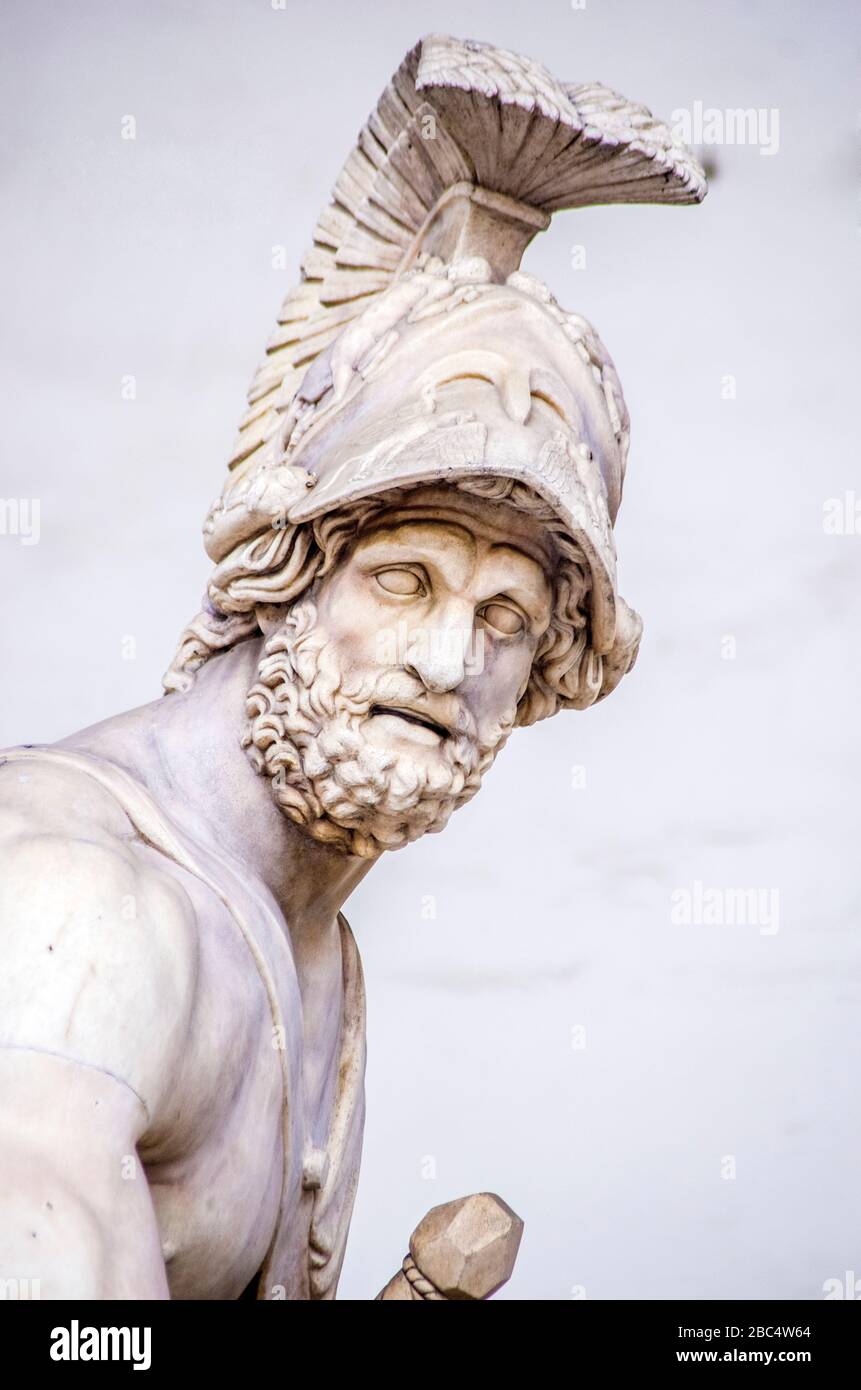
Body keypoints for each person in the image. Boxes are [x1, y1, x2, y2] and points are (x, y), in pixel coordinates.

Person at [0, 33, 704, 1300]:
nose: (446, 660)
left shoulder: (310, 950)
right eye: (405, 579)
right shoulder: (77, 907)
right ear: (287, 573)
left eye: (504, 616)